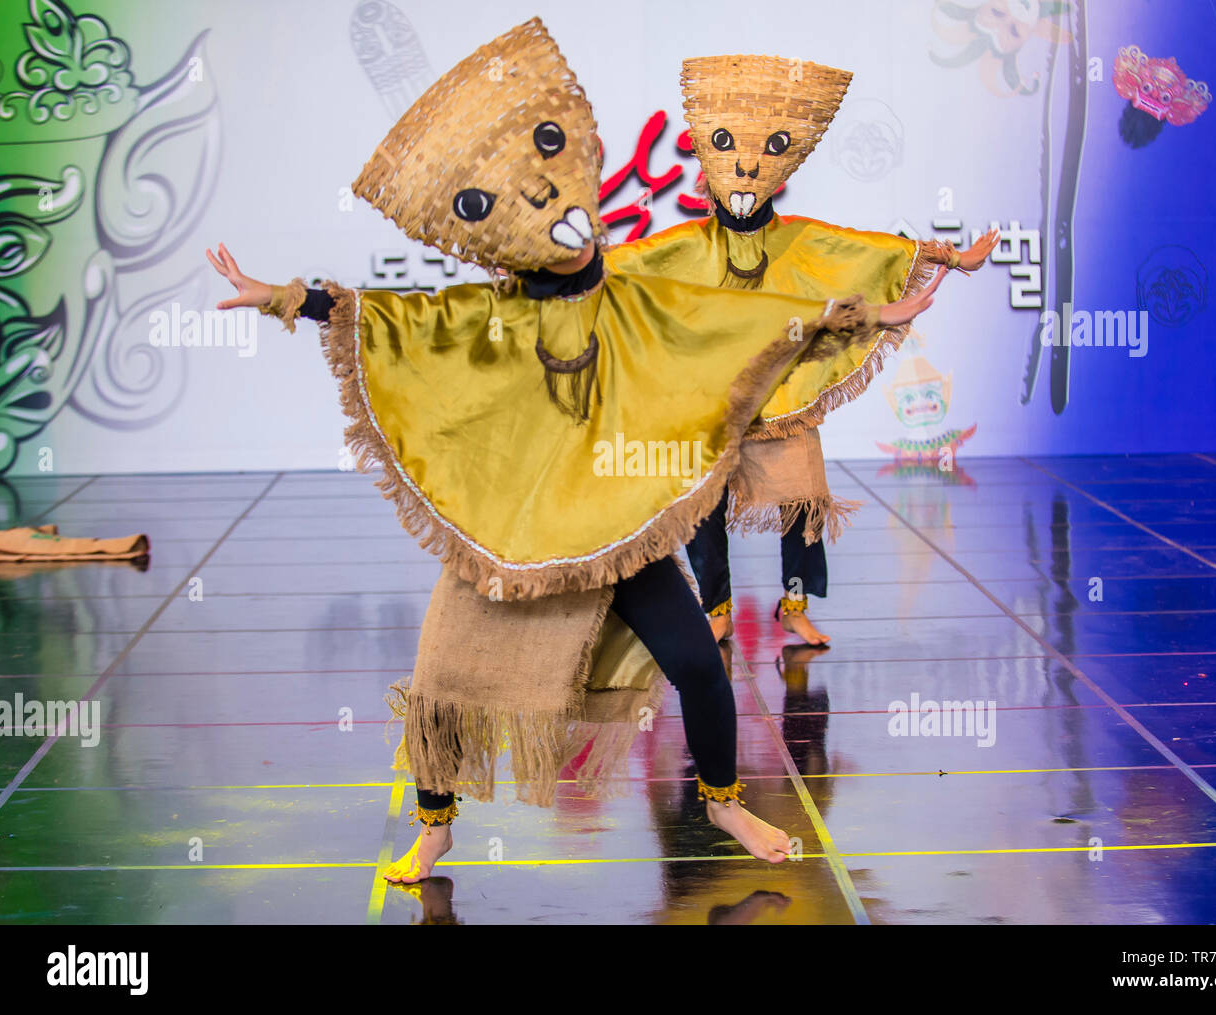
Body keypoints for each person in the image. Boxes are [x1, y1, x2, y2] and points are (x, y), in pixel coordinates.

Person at [207, 18, 946, 884]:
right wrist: (285, 297)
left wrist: (856, 311)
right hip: (515, 533)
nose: (566, 224)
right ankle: (436, 823)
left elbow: (743, 317)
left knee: (701, 671)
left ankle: (722, 799)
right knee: (442, 679)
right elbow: (396, 321)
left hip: (614, 522)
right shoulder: (493, 315)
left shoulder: (633, 294)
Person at [607, 54, 997, 645]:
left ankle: (793, 603)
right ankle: (715, 609)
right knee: (703, 506)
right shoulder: (686, 245)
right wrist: (538, 266)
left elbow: (867, 251)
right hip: (711, 402)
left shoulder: (799, 239)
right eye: (730, 158)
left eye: (758, 159)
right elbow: (618, 268)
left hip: (783, 394)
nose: (742, 171)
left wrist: (953, 258)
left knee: (803, 498)